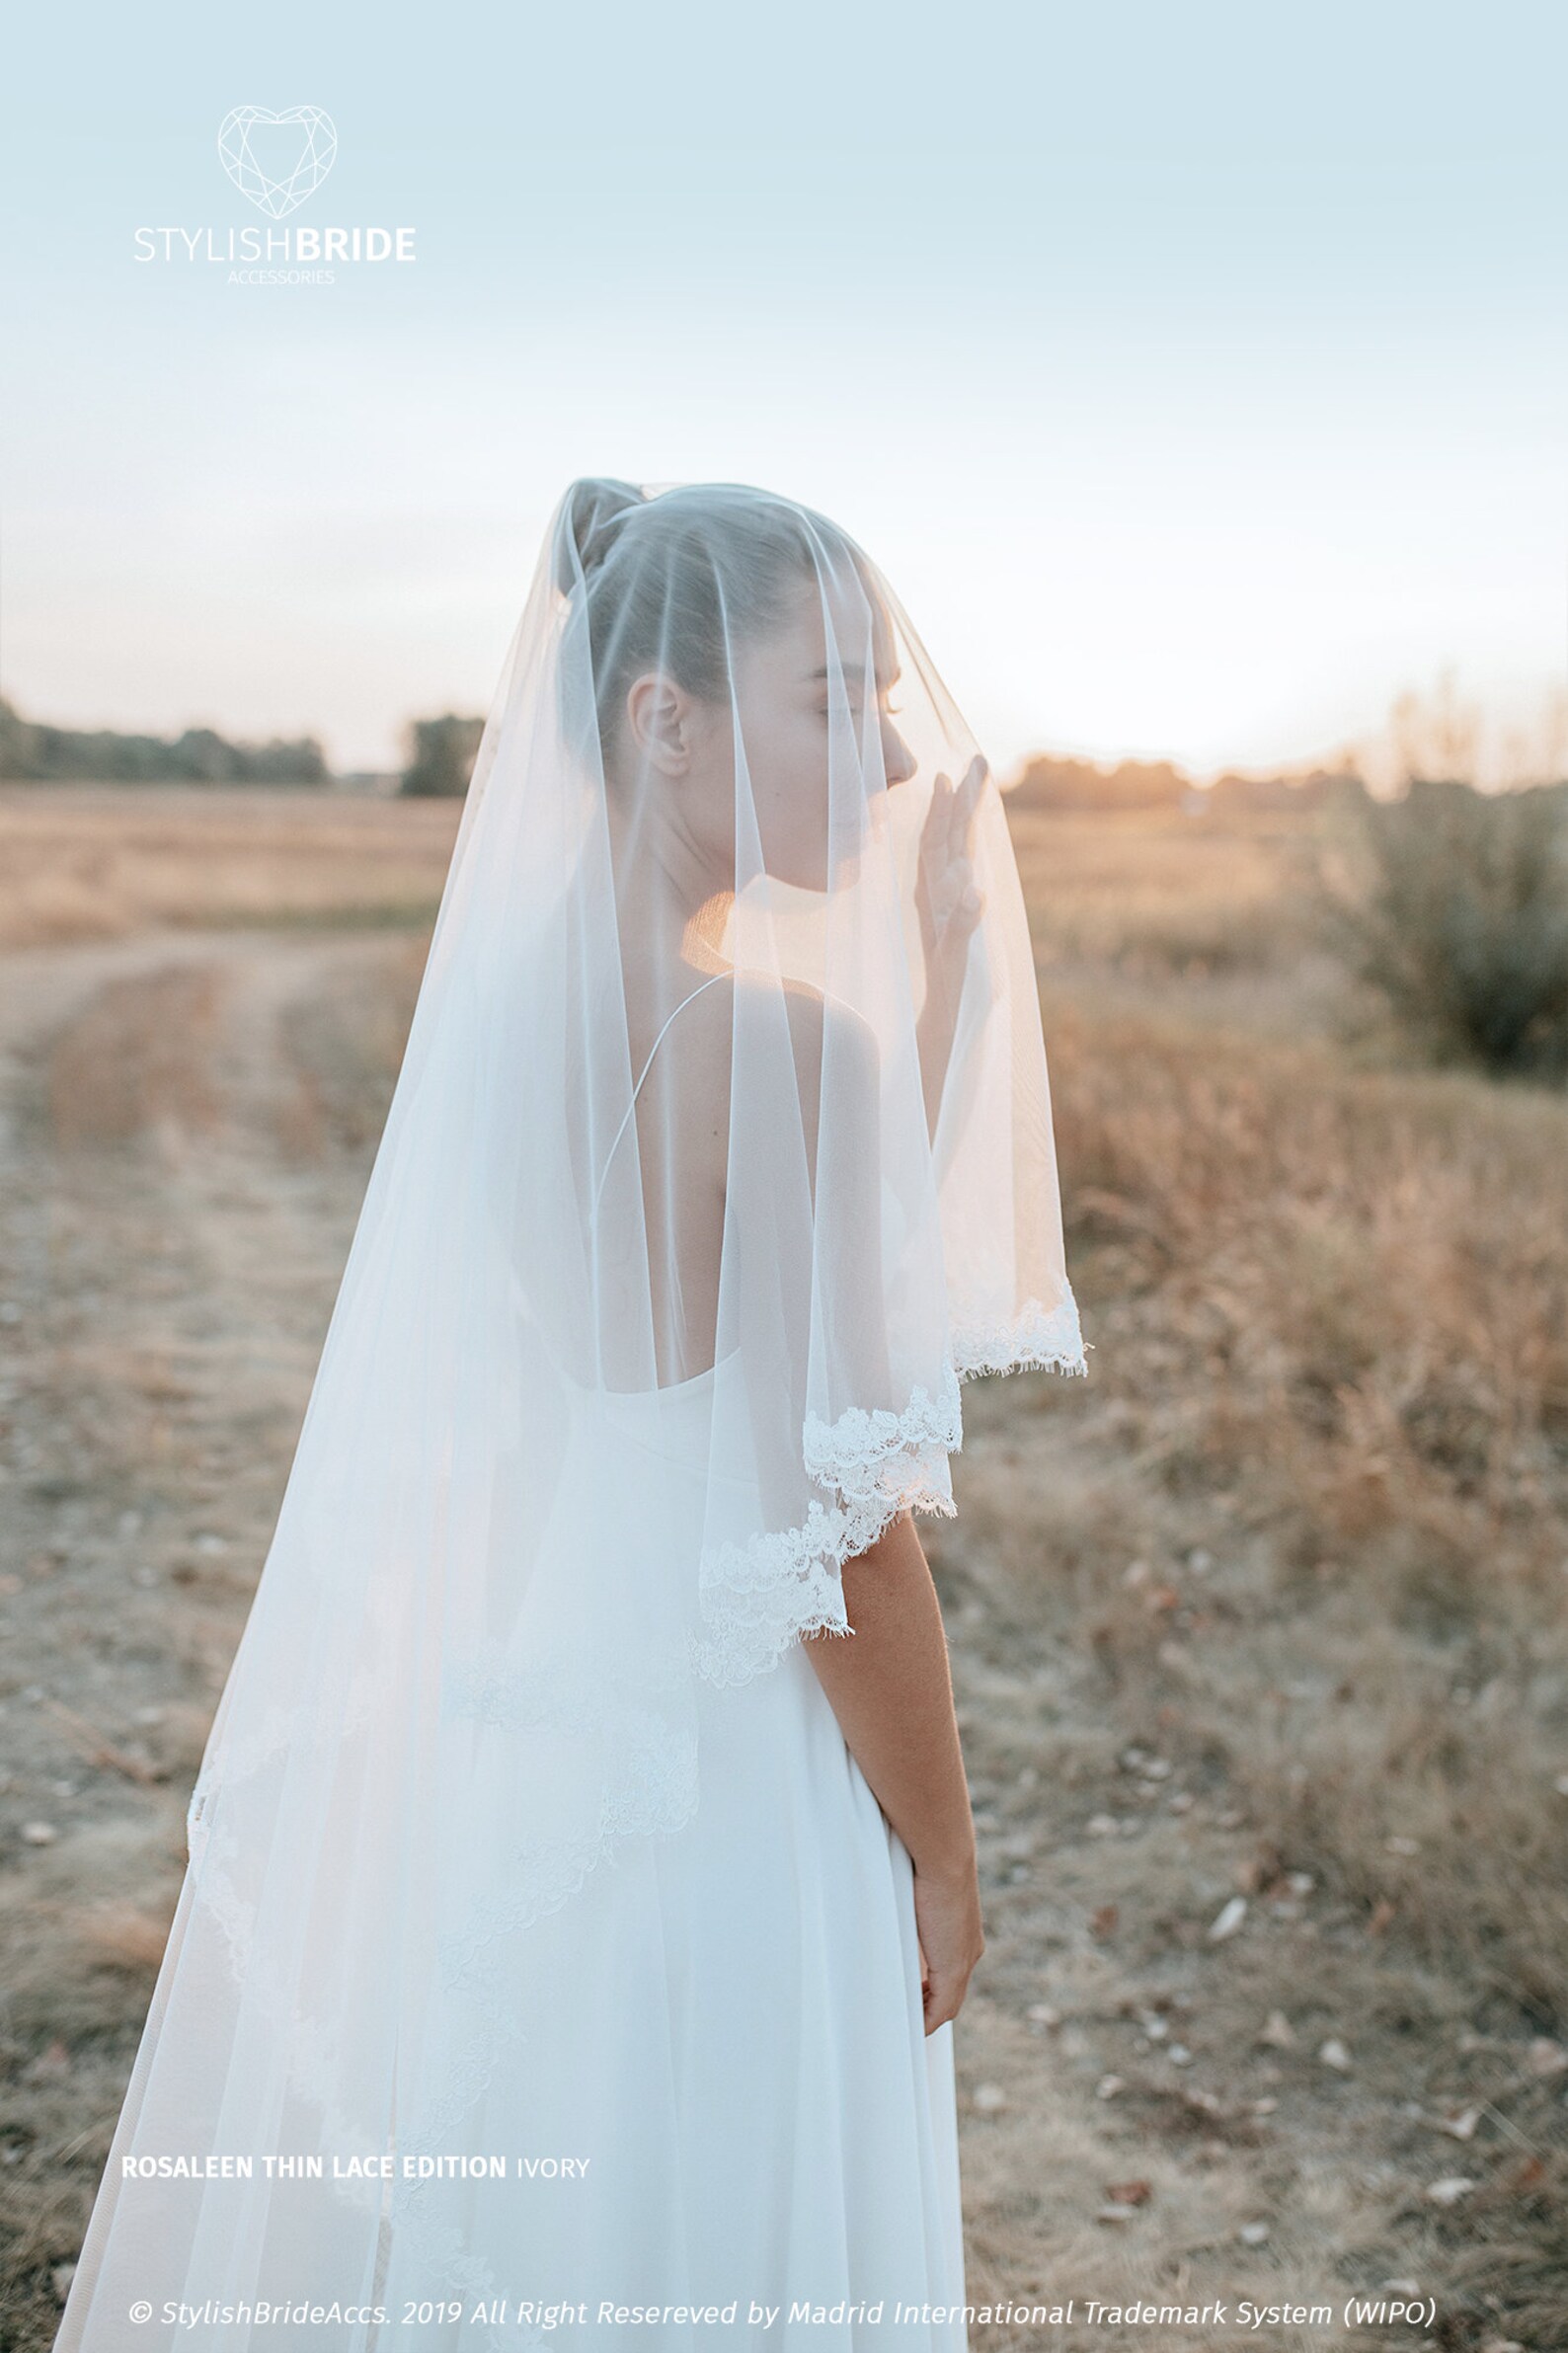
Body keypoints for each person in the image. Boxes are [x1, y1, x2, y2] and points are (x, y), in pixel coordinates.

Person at [54, 479, 1087, 2353]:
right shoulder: (788, 1049)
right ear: (663, 713)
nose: (895, 749)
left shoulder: (514, 1012)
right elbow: (844, 1527)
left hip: (553, 1725)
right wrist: (940, 1855)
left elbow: (708, 1289)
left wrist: (924, 1009)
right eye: (833, 695)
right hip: (737, 1767)